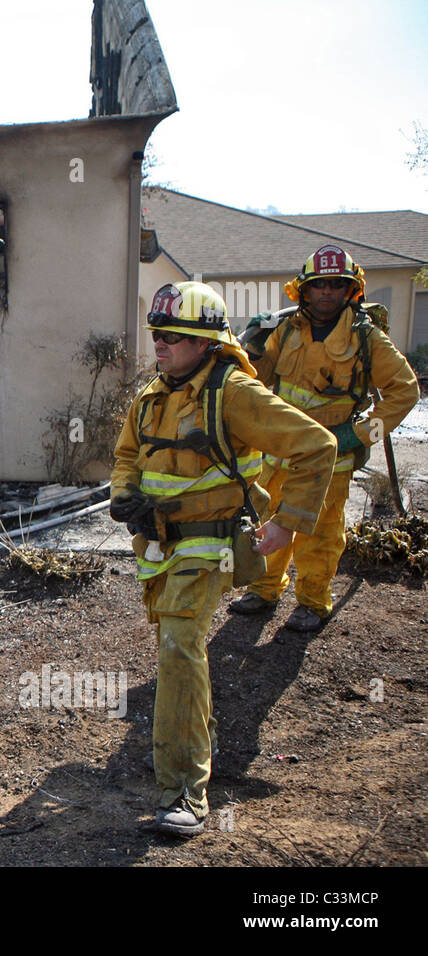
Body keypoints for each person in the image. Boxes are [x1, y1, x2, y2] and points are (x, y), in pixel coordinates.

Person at [112, 281, 336, 836]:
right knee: (176, 649)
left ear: (206, 341)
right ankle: (188, 740)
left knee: (179, 647)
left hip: (211, 545)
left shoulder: (234, 393)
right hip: (161, 546)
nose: (159, 344)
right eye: (156, 334)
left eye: (171, 336)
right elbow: (126, 455)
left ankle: (184, 792)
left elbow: (317, 447)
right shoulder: (154, 394)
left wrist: (288, 523)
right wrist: (124, 494)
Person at [230, 245, 420, 631]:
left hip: (332, 459)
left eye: (337, 284)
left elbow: (405, 390)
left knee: (319, 530)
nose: (328, 292)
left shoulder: (366, 339)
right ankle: (265, 589)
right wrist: (251, 347)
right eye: (320, 285)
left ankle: (313, 603)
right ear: (304, 289)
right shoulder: (284, 330)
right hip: (279, 453)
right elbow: (255, 382)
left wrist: (359, 433)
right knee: (270, 519)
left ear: (350, 289)